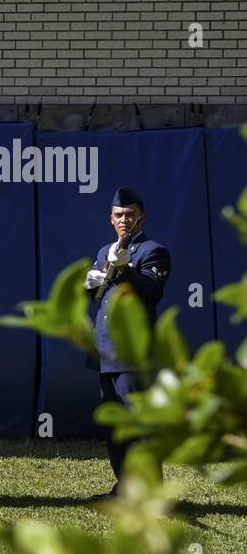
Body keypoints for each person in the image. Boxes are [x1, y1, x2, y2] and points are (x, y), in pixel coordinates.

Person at [84, 187, 170, 499]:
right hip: (105, 350)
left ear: (142, 217)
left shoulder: (153, 251)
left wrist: (123, 270)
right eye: (119, 215)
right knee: (115, 428)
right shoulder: (104, 250)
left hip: (132, 352)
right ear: (111, 219)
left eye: (130, 214)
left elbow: (151, 292)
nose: (125, 220)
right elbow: (97, 298)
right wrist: (91, 283)